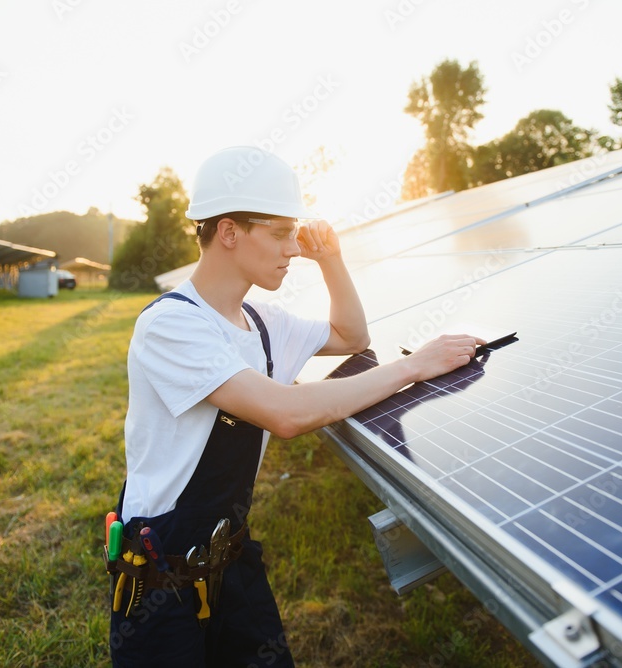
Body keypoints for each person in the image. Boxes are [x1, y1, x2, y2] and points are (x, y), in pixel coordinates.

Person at [108, 146, 484, 667]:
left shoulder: (263, 323)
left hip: (231, 564)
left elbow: (351, 334)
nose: (293, 247)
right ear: (229, 232)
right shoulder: (170, 326)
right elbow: (286, 414)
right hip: (160, 583)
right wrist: (411, 367)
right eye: (281, 232)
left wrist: (329, 256)